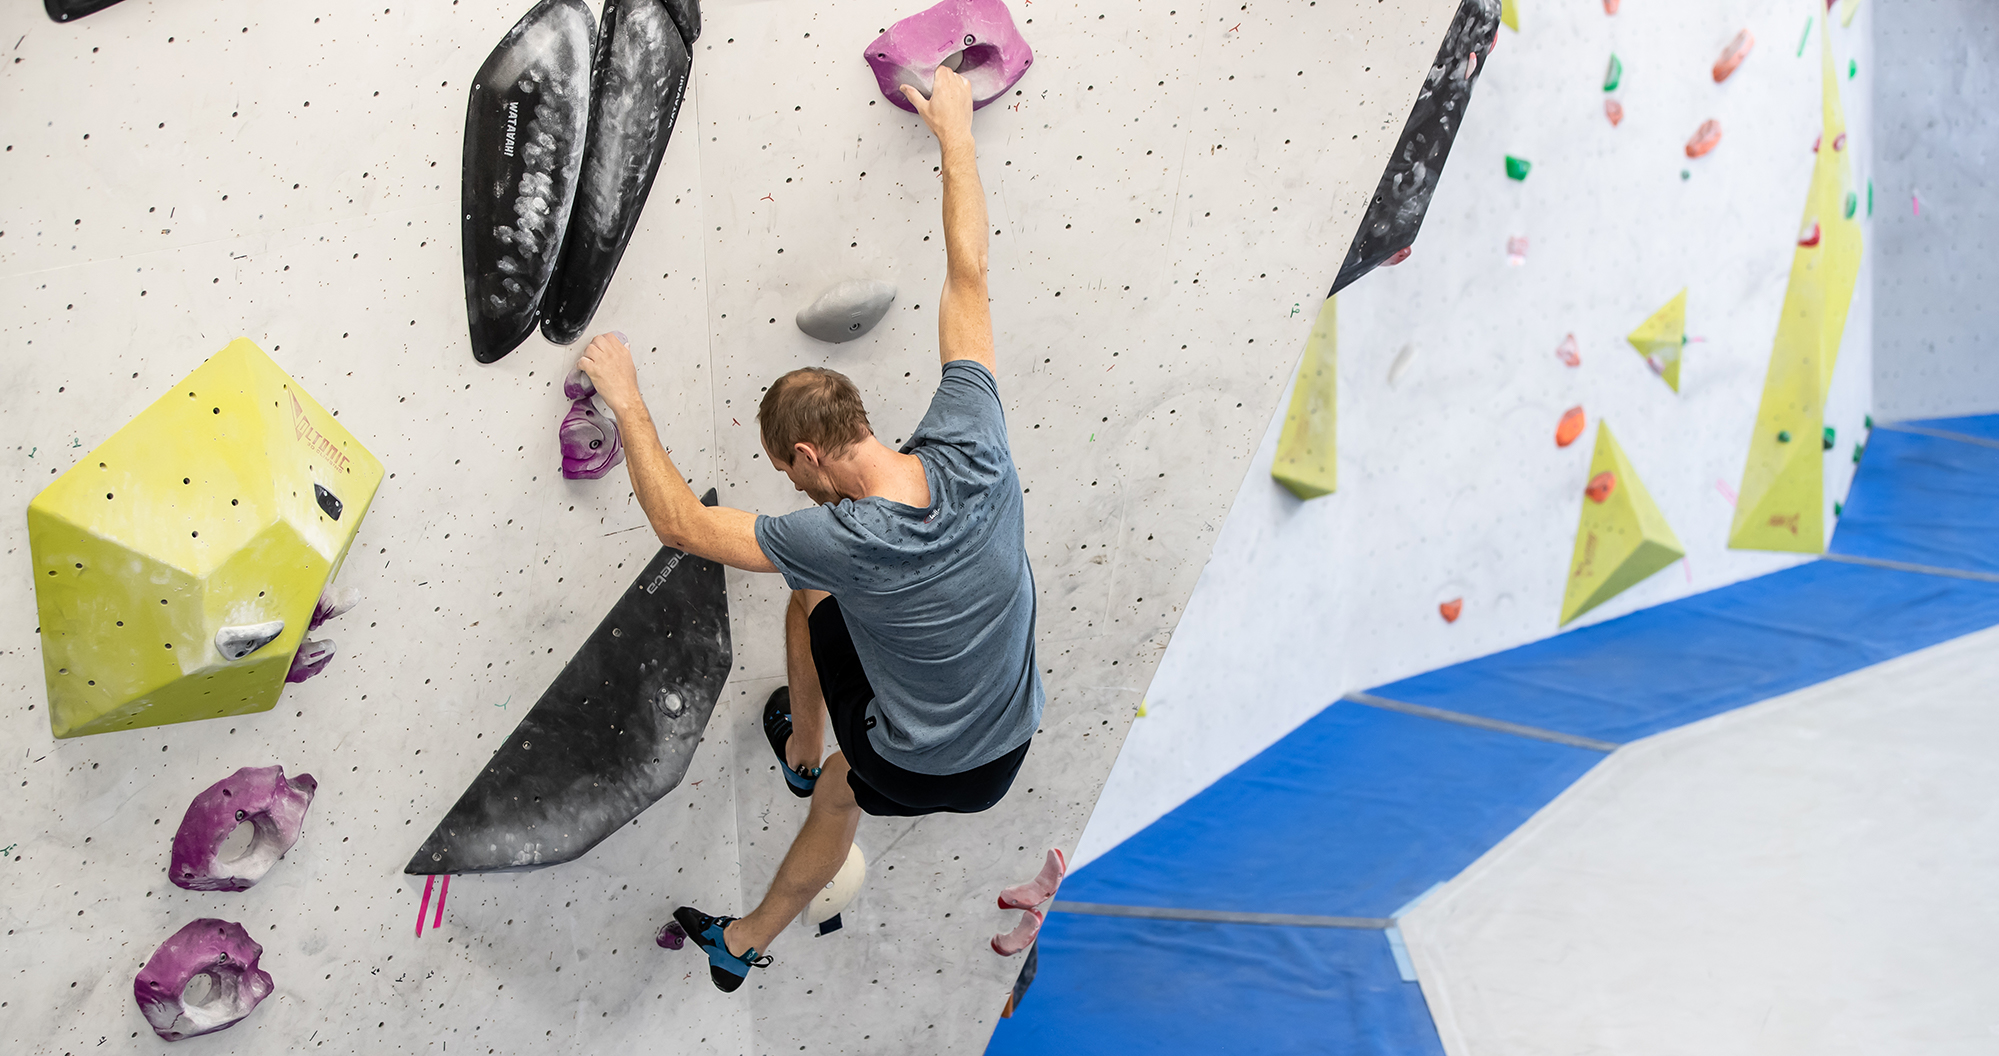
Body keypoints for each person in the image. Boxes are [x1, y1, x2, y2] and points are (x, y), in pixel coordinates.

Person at [575, 64, 1042, 994]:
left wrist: (624, 397)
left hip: (914, 762)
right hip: (1006, 753)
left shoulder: (842, 540)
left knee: (808, 604)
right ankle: (741, 935)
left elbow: (678, 525)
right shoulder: (974, 434)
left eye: (784, 471)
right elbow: (969, 273)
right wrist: (954, 131)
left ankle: (800, 748)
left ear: (808, 456)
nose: (789, 486)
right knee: (844, 788)